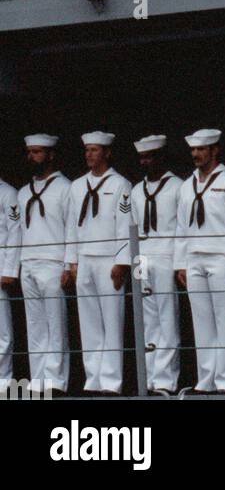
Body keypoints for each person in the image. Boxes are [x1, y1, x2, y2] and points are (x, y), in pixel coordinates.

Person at [173, 128, 225, 394]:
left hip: (221, 257)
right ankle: (206, 379)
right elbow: (181, 228)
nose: (195, 154)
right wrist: (180, 263)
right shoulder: (186, 186)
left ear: (215, 150)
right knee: (202, 321)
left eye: (201, 150)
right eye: (193, 150)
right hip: (194, 257)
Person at [66, 131, 130, 394]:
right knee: (89, 322)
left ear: (107, 152)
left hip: (108, 259)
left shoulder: (120, 184)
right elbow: (72, 224)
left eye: (95, 150)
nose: (89, 154)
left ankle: (111, 381)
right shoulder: (77, 185)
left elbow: (126, 225)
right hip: (85, 258)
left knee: (112, 321)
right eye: (87, 150)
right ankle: (93, 378)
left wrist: (122, 261)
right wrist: (71, 260)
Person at [117, 135, 182, 395]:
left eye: (151, 156)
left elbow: (182, 227)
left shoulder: (177, 186)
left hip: (166, 253)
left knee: (168, 318)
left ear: (162, 157)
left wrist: (180, 262)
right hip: (143, 255)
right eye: (142, 158)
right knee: (147, 319)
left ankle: (167, 379)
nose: (146, 162)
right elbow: (129, 227)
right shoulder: (135, 190)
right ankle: (150, 377)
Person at [11, 134, 71, 393]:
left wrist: (69, 264)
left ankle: (56, 379)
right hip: (29, 261)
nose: (32, 157)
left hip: (53, 261)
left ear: (50, 154)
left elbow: (72, 228)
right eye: (29, 152)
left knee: (55, 324)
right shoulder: (24, 192)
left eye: (37, 152)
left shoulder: (65, 187)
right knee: (35, 325)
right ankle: (38, 380)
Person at [0, 174, 20, 390]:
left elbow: (14, 232)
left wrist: (9, 270)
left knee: (1, 331)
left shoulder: (7, 192)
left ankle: (3, 382)